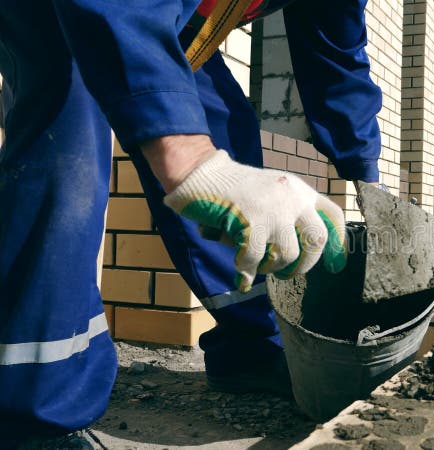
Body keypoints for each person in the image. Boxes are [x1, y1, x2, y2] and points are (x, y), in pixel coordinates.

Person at [0, 0, 383, 447]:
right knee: (68, 115)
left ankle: (251, 347)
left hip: (164, 15)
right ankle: (33, 406)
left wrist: (365, 175)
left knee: (224, 124)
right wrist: (190, 159)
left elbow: (336, 52)